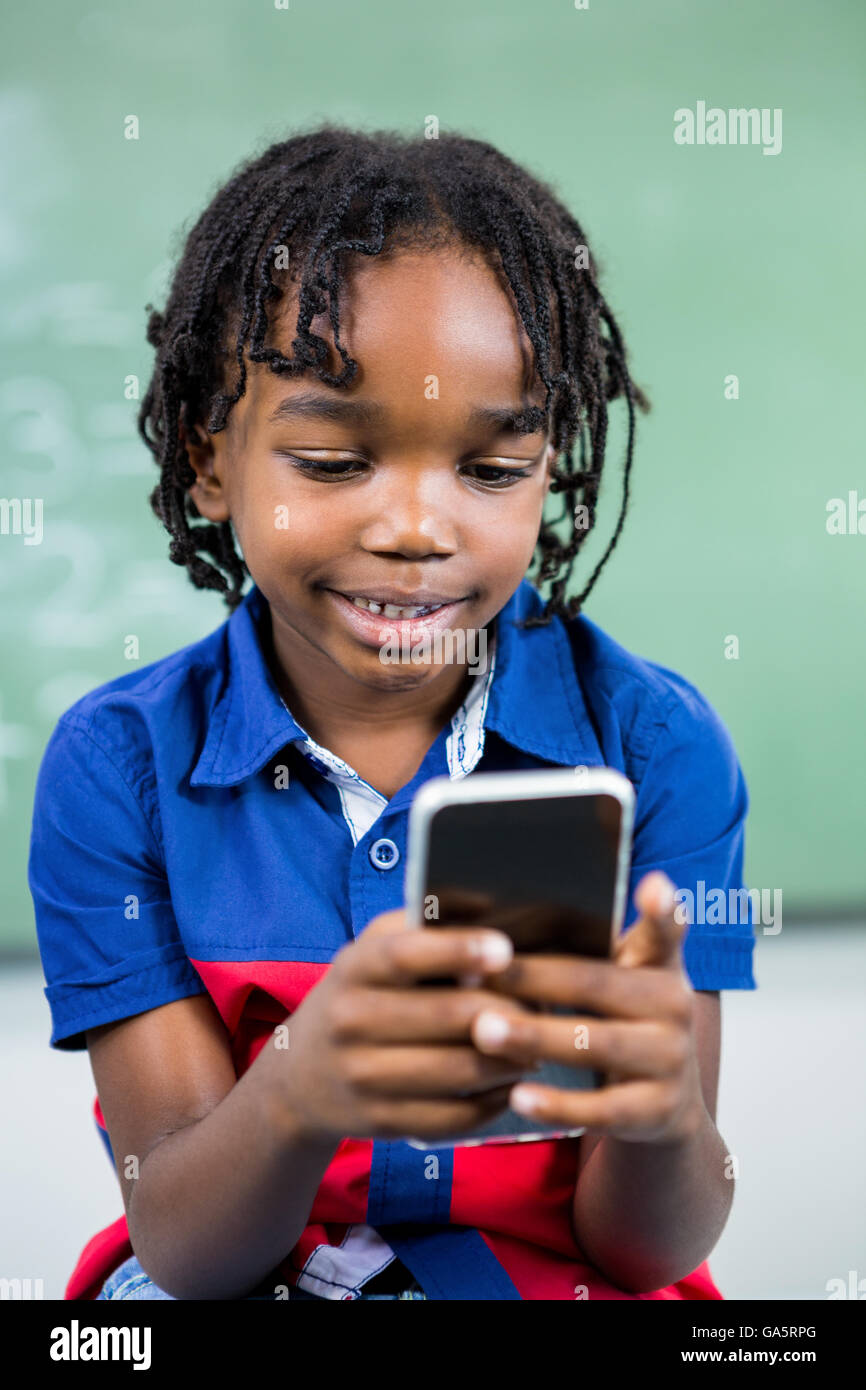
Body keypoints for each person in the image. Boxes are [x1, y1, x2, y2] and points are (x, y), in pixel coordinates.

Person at [28, 124, 755, 1302]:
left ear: (547, 467)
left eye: (488, 468)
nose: (417, 527)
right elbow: (190, 1250)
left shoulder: (656, 748)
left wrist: (664, 1115)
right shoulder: (118, 767)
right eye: (328, 460)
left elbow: (646, 1250)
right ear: (209, 461)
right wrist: (298, 1092)